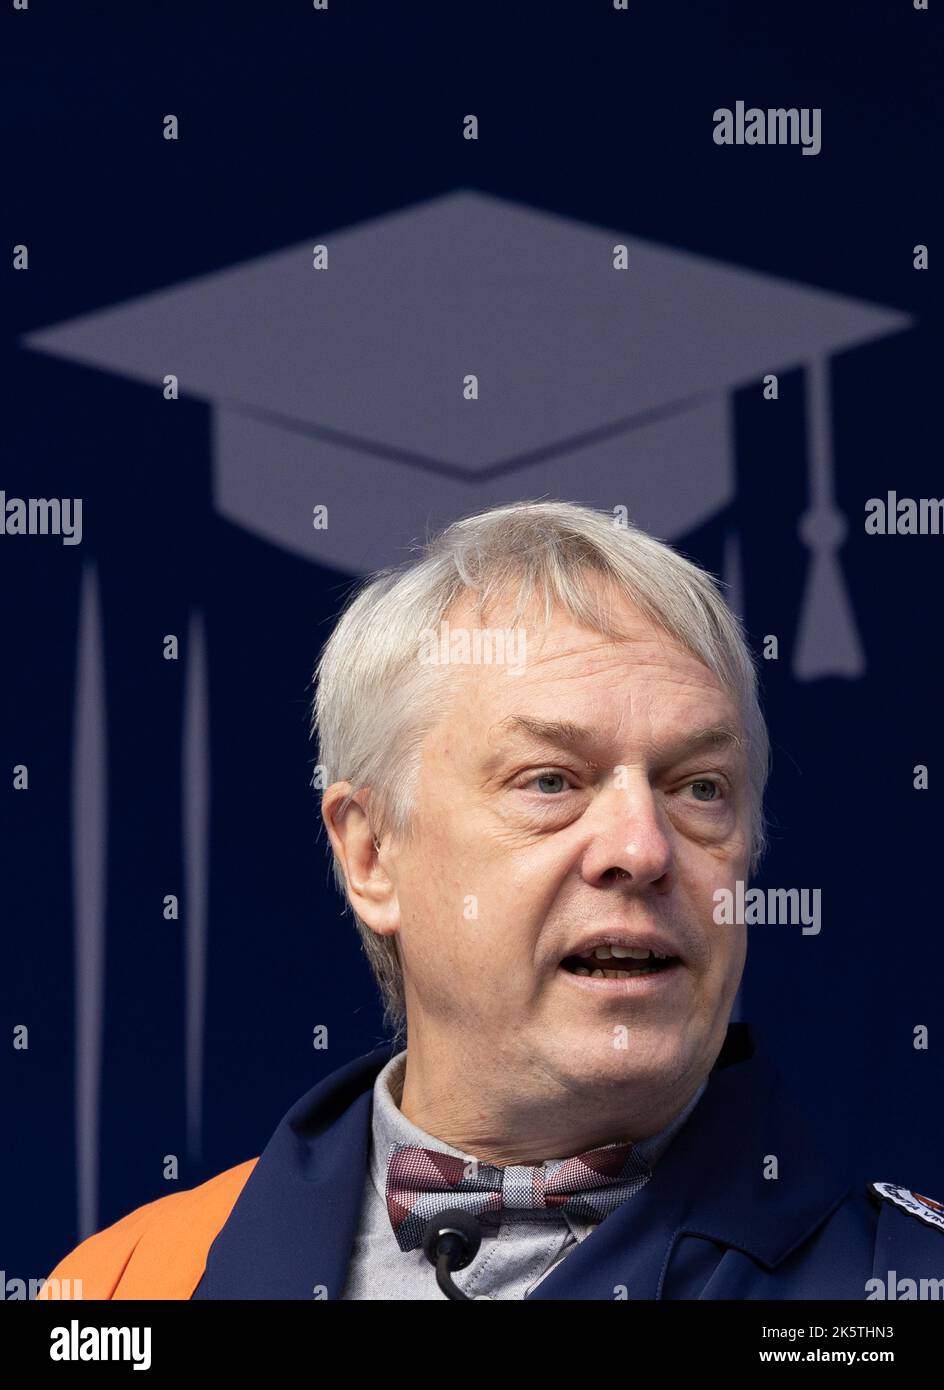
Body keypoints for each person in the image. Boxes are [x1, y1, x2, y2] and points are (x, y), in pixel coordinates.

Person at [39, 500, 943, 1301]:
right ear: (370, 854)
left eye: (700, 787)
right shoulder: (131, 1283)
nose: (642, 847)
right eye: (550, 781)